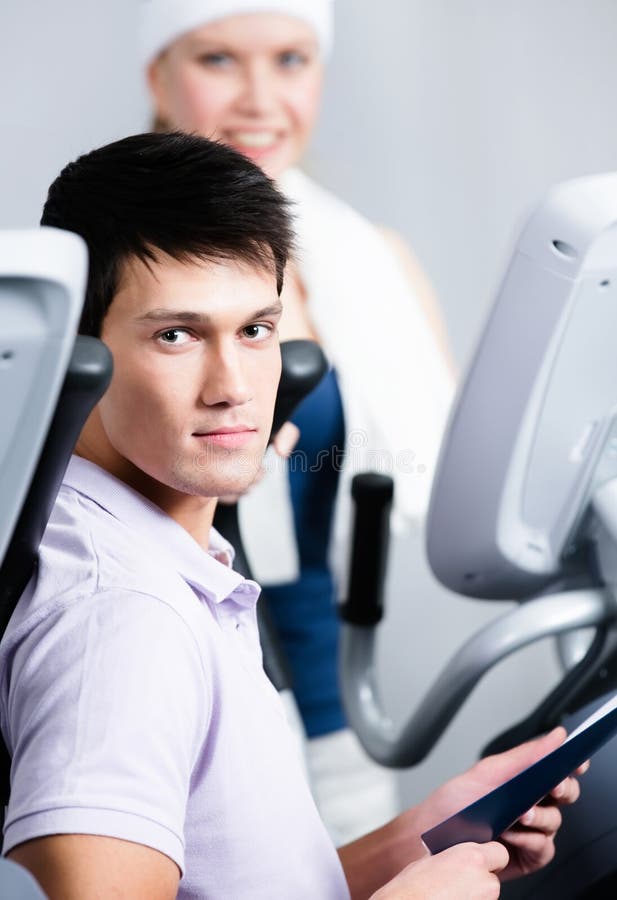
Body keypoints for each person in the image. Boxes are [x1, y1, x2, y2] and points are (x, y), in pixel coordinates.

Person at [0, 132, 583, 899]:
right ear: (83, 349)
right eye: (176, 335)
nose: (233, 385)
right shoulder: (123, 615)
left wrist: (423, 834)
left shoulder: (164, 560)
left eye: (256, 329)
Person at [140, 0, 456, 844]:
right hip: (185, 720)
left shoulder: (373, 261)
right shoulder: (109, 273)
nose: (258, 99)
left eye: (289, 60)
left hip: (345, 708)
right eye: (216, 60)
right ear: (156, 76)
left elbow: (465, 480)